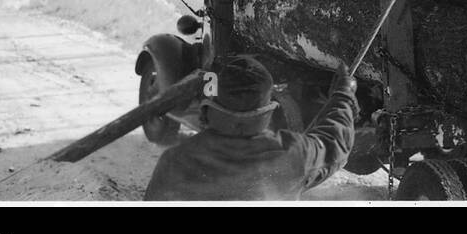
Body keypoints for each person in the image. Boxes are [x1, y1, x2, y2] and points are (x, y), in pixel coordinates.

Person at [143, 54, 357, 201]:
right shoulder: (293, 154)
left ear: (209, 107)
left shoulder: (175, 161)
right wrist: (343, 94)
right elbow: (335, 142)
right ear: (267, 111)